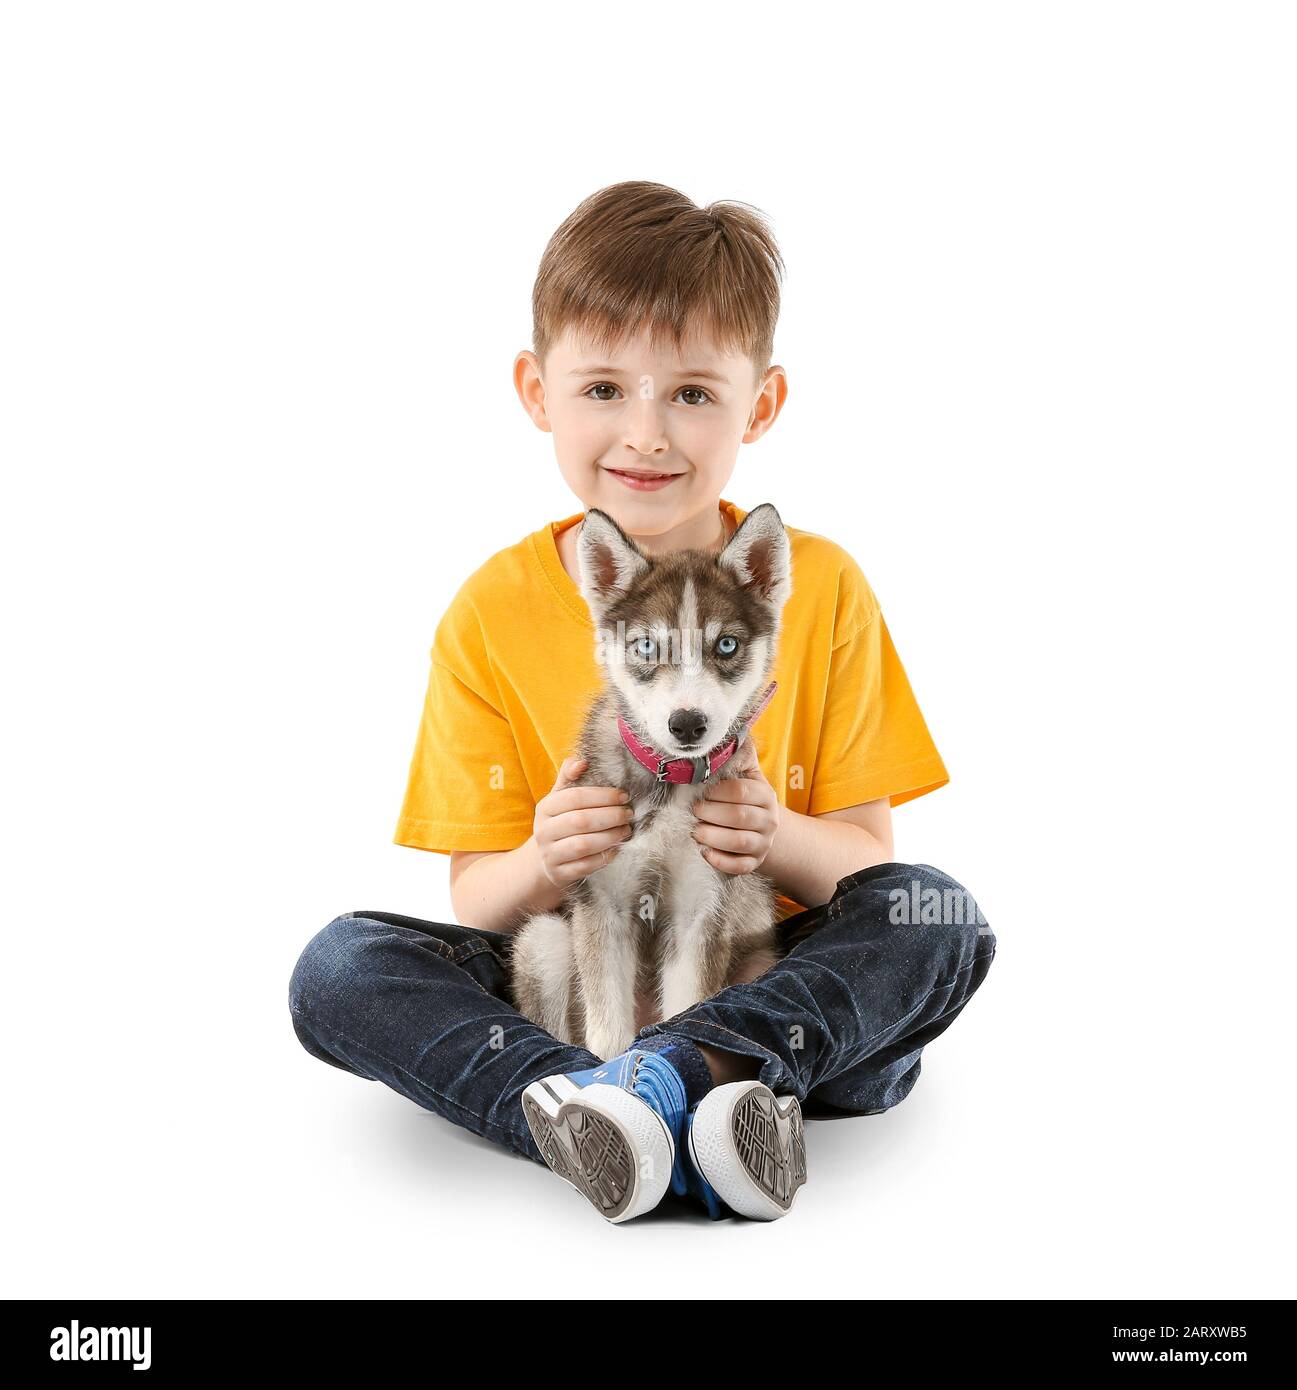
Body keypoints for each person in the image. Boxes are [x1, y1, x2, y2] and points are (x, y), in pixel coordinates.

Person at [288, 180, 997, 1223]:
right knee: (342, 967)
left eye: (694, 393)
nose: (647, 433)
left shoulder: (820, 582)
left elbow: (865, 866)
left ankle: (618, 1101)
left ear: (761, 402)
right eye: (604, 387)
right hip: (575, 963)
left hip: (759, 959)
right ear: (537, 390)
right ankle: (706, 1100)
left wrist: (775, 834)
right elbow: (479, 902)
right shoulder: (488, 610)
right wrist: (544, 857)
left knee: (937, 916)